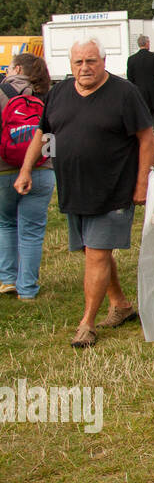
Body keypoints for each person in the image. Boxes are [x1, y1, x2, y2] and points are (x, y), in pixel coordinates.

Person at [15, 38, 154, 348]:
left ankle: (87, 323)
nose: (85, 67)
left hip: (113, 188)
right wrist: (26, 170)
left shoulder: (124, 93)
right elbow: (43, 131)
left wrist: (142, 183)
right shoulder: (60, 93)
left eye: (91, 61)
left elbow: (147, 138)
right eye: (78, 62)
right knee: (90, 250)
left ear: (103, 61)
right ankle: (120, 304)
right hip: (74, 188)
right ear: (71, 65)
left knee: (97, 254)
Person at [0, 54, 55, 300]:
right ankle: (27, 288)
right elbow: (53, 136)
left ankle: (7, 279)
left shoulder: (1, 90)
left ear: (17, 68)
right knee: (32, 231)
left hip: (5, 169)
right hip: (42, 168)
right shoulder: (48, 95)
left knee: (5, 223)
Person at [126, 34, 154, 143]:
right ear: (147, 43)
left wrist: (130, 93)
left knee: (142, 112)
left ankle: (144, 133)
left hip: (139, 92)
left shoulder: (131, 59)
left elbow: (130, 78)